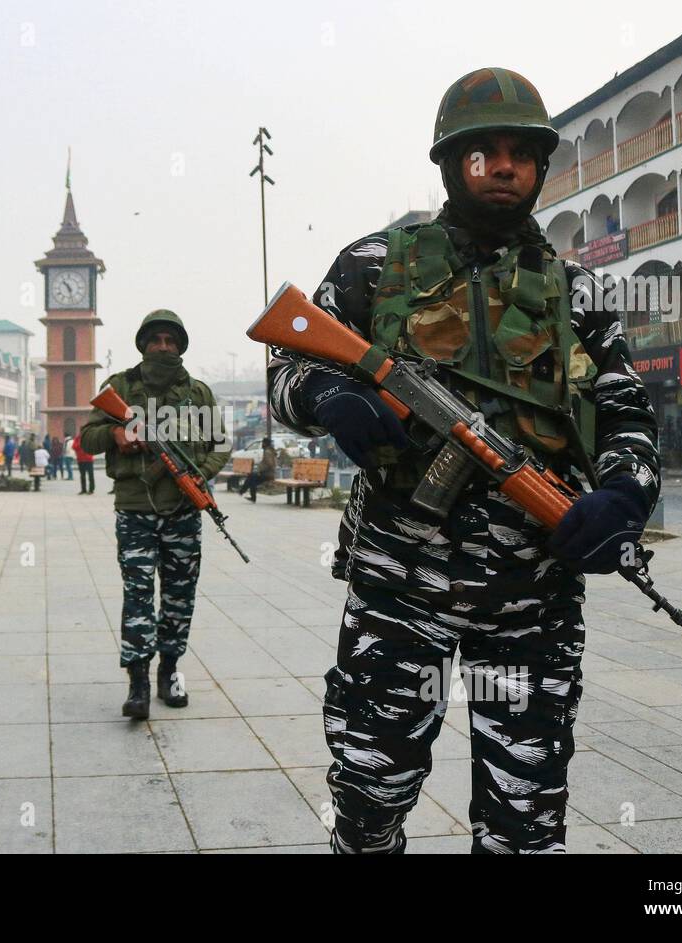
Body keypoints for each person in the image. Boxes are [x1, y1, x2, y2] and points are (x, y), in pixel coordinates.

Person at [267, 68, 659, 854]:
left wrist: (622, 495)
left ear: (541, 168)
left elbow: (627, 412)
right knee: (370, 797)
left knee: (525, 820)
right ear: (451, 165)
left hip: (531, 597)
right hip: (397, 585)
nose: (504, 167)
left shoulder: (575, 293)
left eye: (521, 153)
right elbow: (285, 366)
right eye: (483, 153)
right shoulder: (374, 266)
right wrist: (328, 400)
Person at [80, 309, 230, 719]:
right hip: (135, 510)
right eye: (156, 339)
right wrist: (117, 434)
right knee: (138, 594)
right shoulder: (121, 386)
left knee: (180, 594)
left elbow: (220, 444)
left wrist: (200, 476)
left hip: (183, 509)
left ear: (180, 345)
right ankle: (138, 682)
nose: (163, 347)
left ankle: (169, 671)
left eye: (170, 340)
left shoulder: (197, 393)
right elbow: (87, 438)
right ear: (143, 344)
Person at [239, 438, 277, 502]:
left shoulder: (267, 452)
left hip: (268, 474)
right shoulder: (269, 450)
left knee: (252, 478)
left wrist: (260, 470)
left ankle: (244, 492)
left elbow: (270, 464)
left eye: (263, 443)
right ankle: (245, 493)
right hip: (268, 473)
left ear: (265, 443)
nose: (262, 444)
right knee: (251, 477)